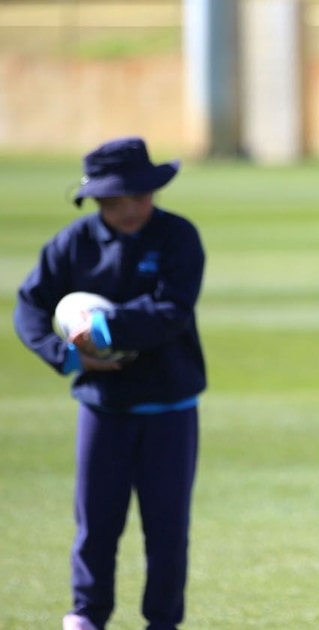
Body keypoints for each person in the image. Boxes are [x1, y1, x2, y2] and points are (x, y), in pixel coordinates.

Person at [13, 136, 207, 630]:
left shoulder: (178, 237)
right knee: (96, 524)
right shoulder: (72, 244)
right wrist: (69, 356)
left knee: (166, 529)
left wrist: (100, 331)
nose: (130, 209)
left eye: (138, 196)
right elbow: (30, 308)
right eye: (116, 201)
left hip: (169, 407)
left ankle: (162, 621)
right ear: (98, 200)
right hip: (103, 409)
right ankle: (86, 616)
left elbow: (172, 310)